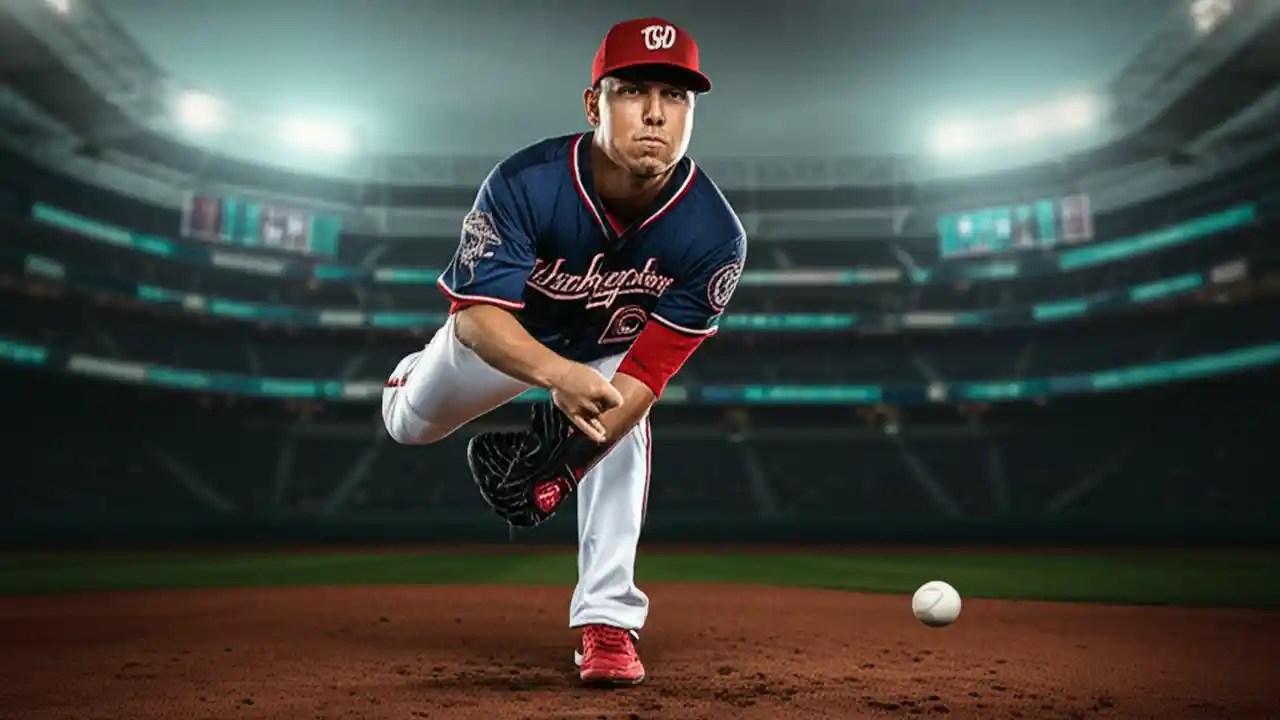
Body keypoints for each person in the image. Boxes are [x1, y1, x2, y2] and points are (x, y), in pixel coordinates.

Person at [381, 16, 746, 686]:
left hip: (605, 358)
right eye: (635, 91)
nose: (657, 114)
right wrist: (555, 375)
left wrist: (564, 468)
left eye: (676, 98)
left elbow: (648, 373)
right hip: (508, 343)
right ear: (593, 104)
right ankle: (408, 378)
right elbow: (480, 318)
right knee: (410, 427)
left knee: (623, 420)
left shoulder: (715, 234)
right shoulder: (528, 181)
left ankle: (608, 624)